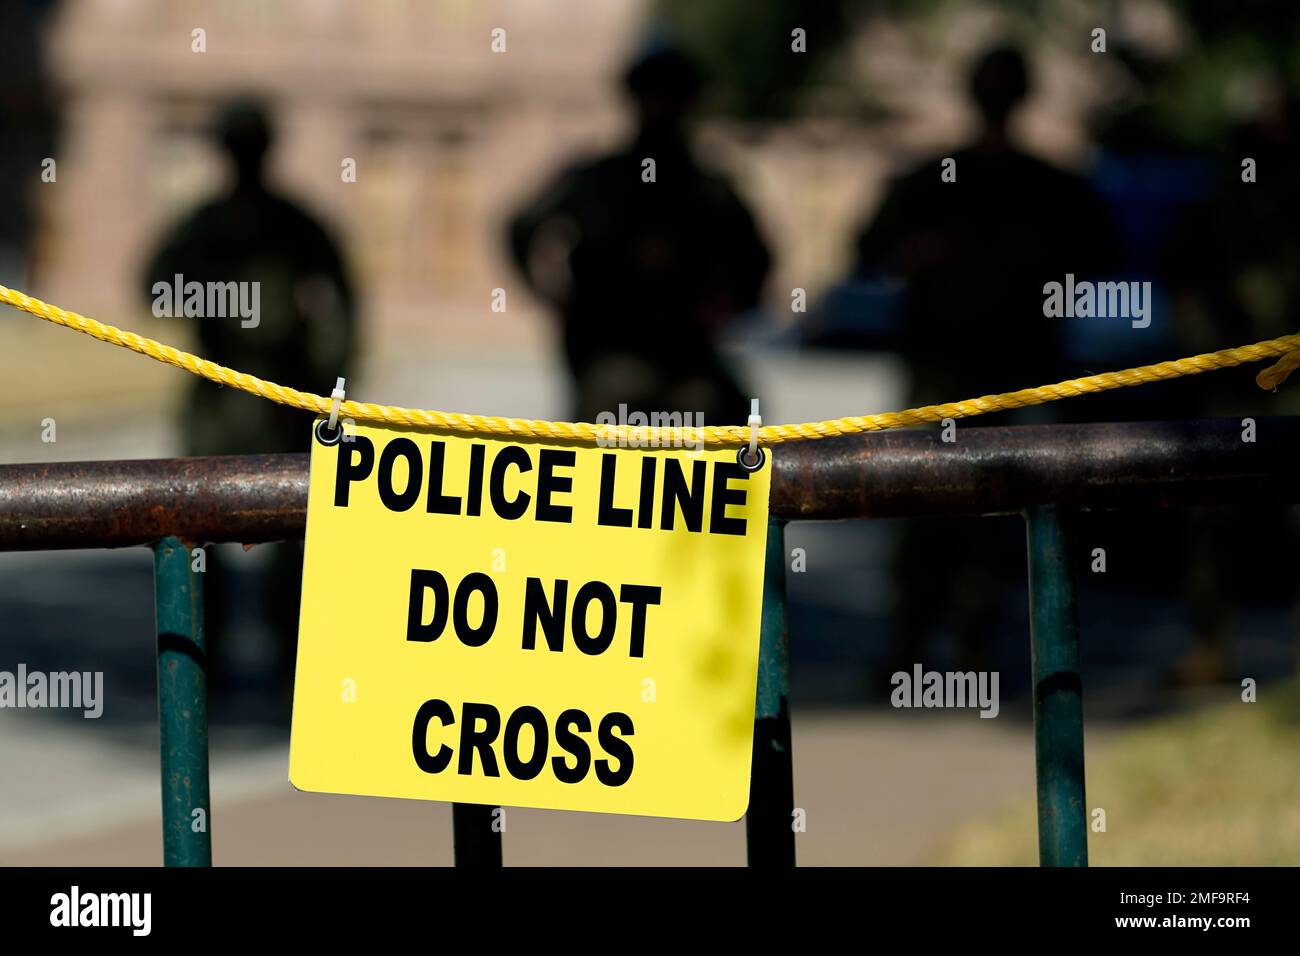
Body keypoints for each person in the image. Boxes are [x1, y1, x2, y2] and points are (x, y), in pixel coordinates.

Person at [849, 45, 1114, 676]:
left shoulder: (1050, 186)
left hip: (1015, 371)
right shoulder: (935, 179)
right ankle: (912, 646)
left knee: (999, 509)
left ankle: (970, 645)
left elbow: (1103, 256)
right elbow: (868, 249)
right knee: (923, 506)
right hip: (942, 370)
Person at [141, 98, 357, 703]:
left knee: (295, 529)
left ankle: (295, 666)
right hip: (217, 390)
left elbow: (342, 297)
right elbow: (153, 284)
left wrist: (329, 381)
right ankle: (202, 665)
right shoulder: (206, 223)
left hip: (282, 391)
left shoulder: (293, 222)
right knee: (196, 529)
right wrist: (210, 302)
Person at [508, 41, 770, 425]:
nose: (662, 108)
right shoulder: (599, 178)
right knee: (603, 444)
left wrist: (727, 306)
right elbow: (522, 228)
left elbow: (759, 260)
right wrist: (551, 297)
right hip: (610, 351)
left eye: (672, 96)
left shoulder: (709, 189)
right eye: (654, 95)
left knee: (739, 433)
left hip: (688, 359)